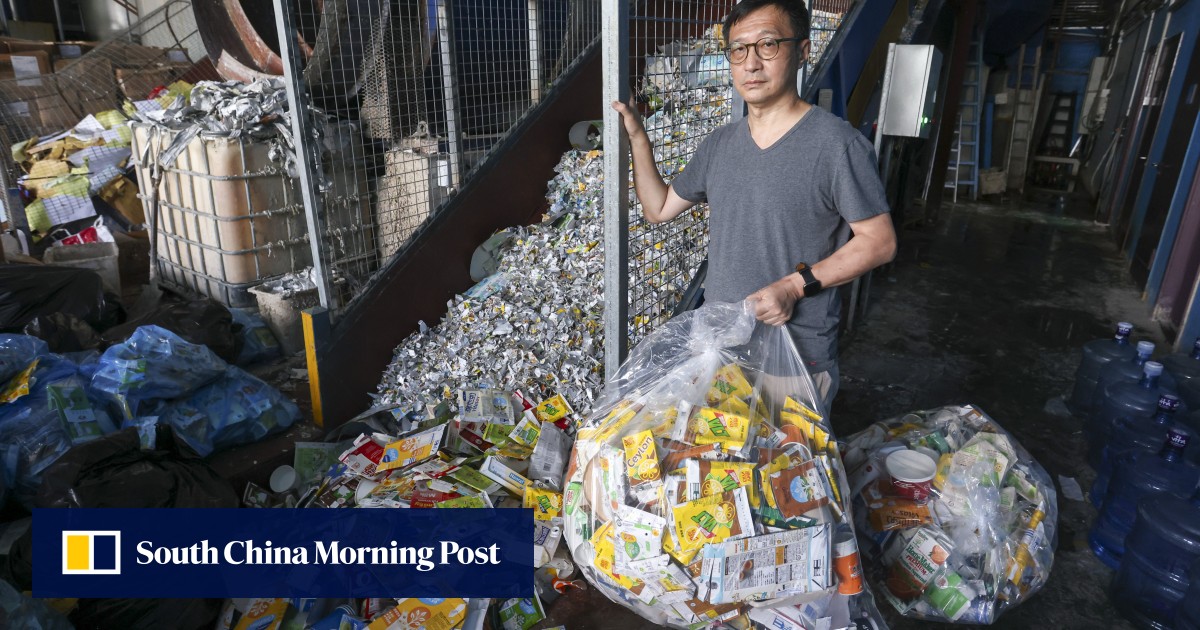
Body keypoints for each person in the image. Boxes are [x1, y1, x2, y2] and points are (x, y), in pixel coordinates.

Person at [612, 0, 897, 414]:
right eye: (738, 49)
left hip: (794, 361)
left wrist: (793, 286)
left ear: (802, 51)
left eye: (768, 45)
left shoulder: (838, 146)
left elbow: (879, 242)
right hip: (717, 354)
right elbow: (658, 208)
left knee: (789, 456)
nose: (751, 63)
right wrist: (638, 138)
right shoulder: (718, 145)